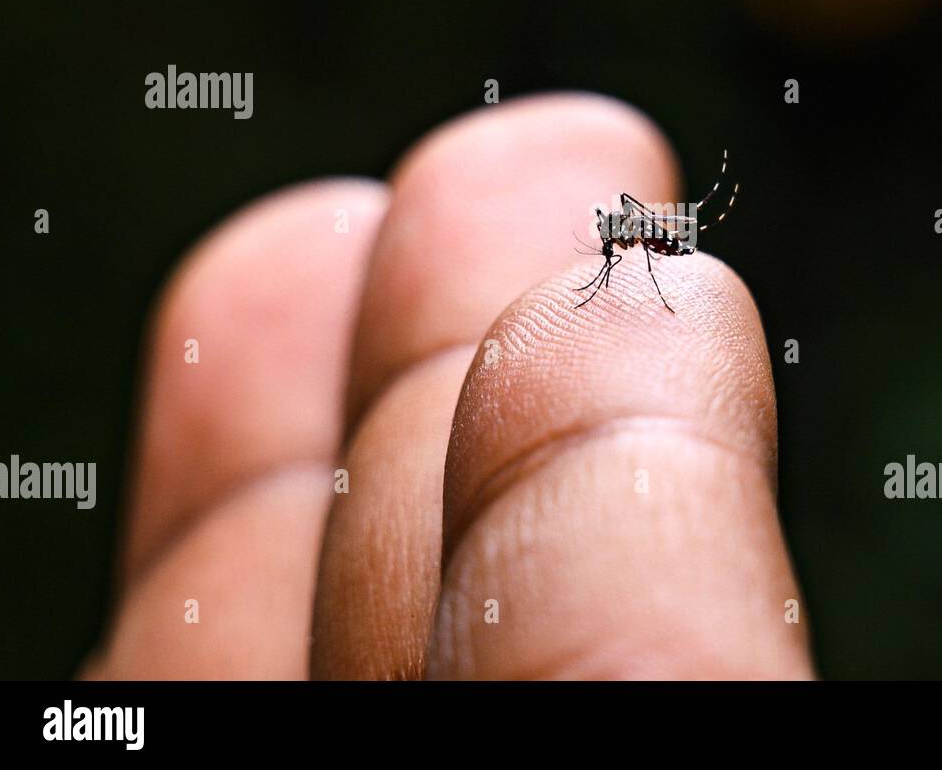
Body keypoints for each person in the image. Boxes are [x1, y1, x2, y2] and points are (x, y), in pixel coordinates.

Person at [81, 93, 814, 680]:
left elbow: (640, 250)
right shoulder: (617, 237)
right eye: (617, 238)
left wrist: (656, 244)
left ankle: (713, 201)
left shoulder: (640, 241)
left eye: (616, 237)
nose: (613, 243)